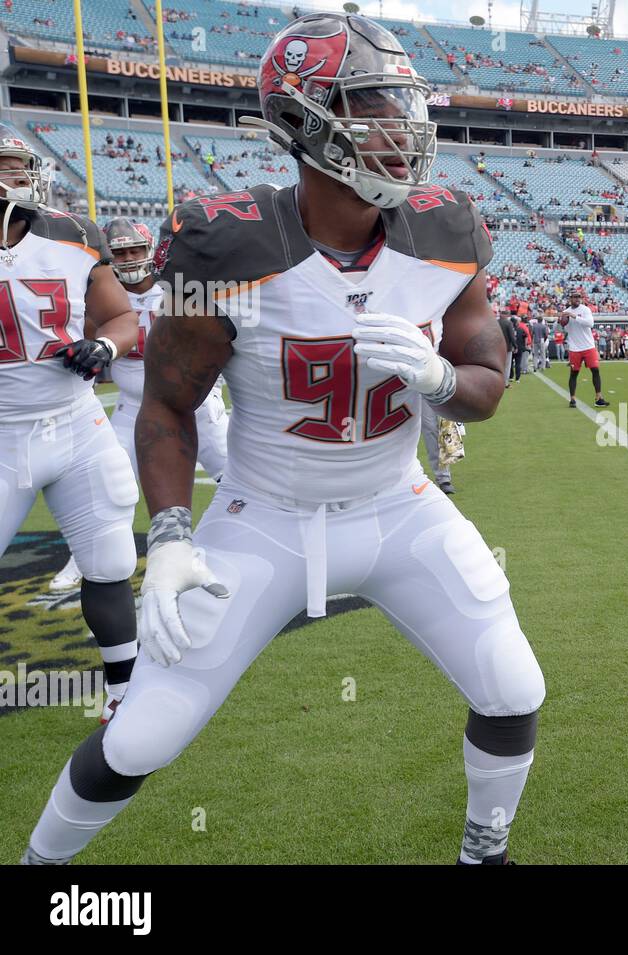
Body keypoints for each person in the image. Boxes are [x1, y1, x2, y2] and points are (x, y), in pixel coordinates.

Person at [23, 14, 544, 867]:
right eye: (372, 106)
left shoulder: (447, 226)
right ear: (306, 123)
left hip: (399, 504)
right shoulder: (223, 242)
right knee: (144, 735)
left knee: (516, 686)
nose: (403, 125)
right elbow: (166, 407)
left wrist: (442, 381)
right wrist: (170, 532)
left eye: (402, 103)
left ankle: (484, 852)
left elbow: (483, 387)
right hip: (263, 515)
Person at [0, 125, 142, 735]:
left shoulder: (73, 233)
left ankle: (127, 693)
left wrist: (104, 345)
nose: (17, 179)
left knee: (110, 561)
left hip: (76, 422)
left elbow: (120, 315)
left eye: (18, 166)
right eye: (4, 167)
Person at [49, 218, 231, 592]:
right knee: (104, 489)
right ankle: (81, 561)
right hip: (134, 406)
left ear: (150, 251)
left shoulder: (180, 286)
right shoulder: (102, 295)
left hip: (194, 401)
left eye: (135, 250)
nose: (129, 259)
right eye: (120, 252)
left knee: (233, 475)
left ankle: (233, 544)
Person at [560, 291, 608, 409]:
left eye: (578, 297)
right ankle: (572, 399)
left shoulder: (585, 309)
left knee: (595, 370)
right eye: (574, 297)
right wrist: (561, 320)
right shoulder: (566, 312)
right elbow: (563, 327)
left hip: (588, 345)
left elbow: (590, 323)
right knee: (574, 373)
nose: (577, 299)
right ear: (570, 299)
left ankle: (598, 397)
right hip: (575, 347)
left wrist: (574, 316)